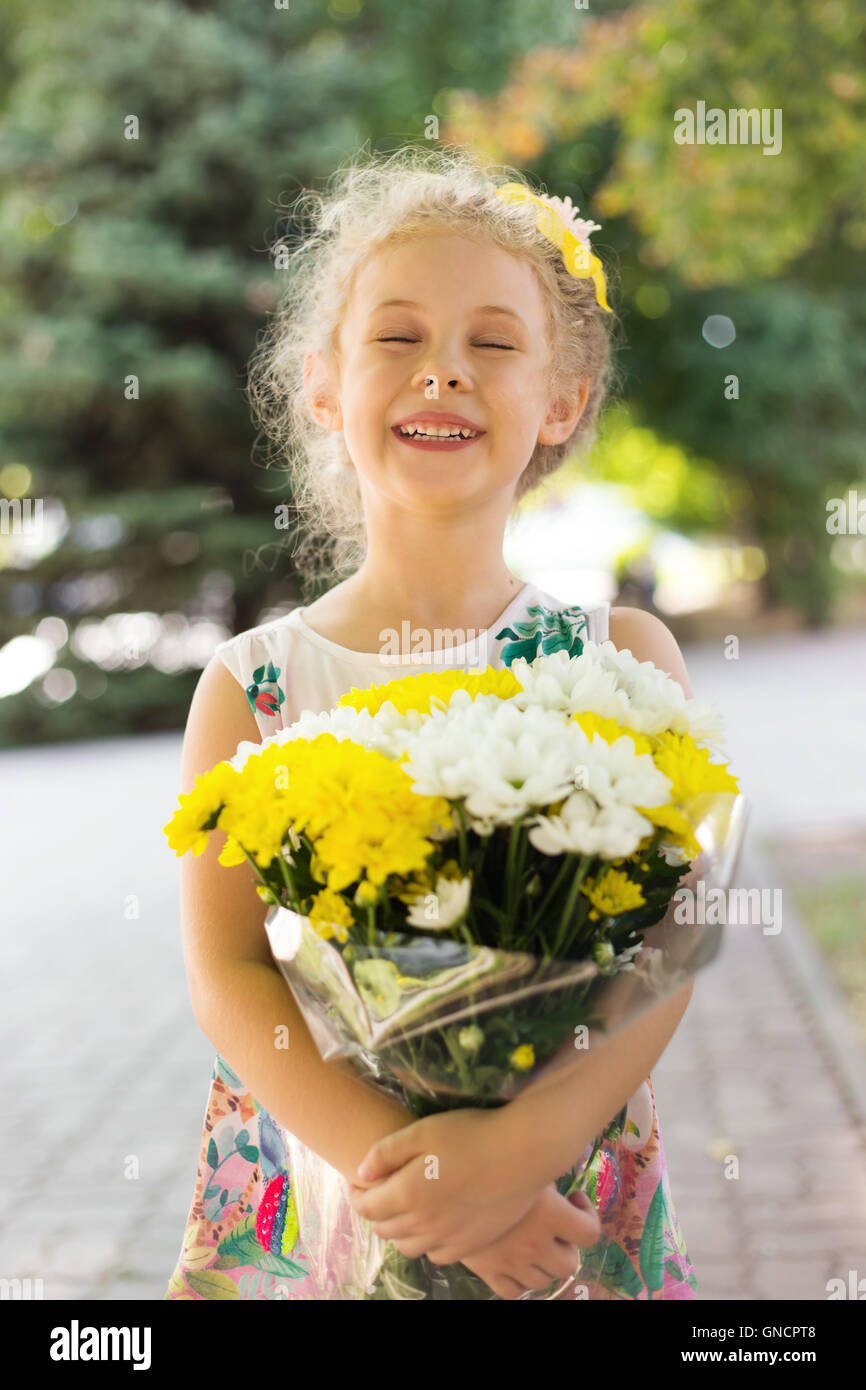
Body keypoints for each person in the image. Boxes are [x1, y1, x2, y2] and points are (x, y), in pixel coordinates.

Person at [165, 144, 697, 1301]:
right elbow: (227, 970)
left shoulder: (620, 663)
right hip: (351, 1191)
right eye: (396, 339)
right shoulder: (253, 688)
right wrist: (421, 1189)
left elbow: (667, 949)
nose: (441, 374)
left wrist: (514, 1155)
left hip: (564, 1186)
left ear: (561, 398)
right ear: (322, 382)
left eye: (491, 344)